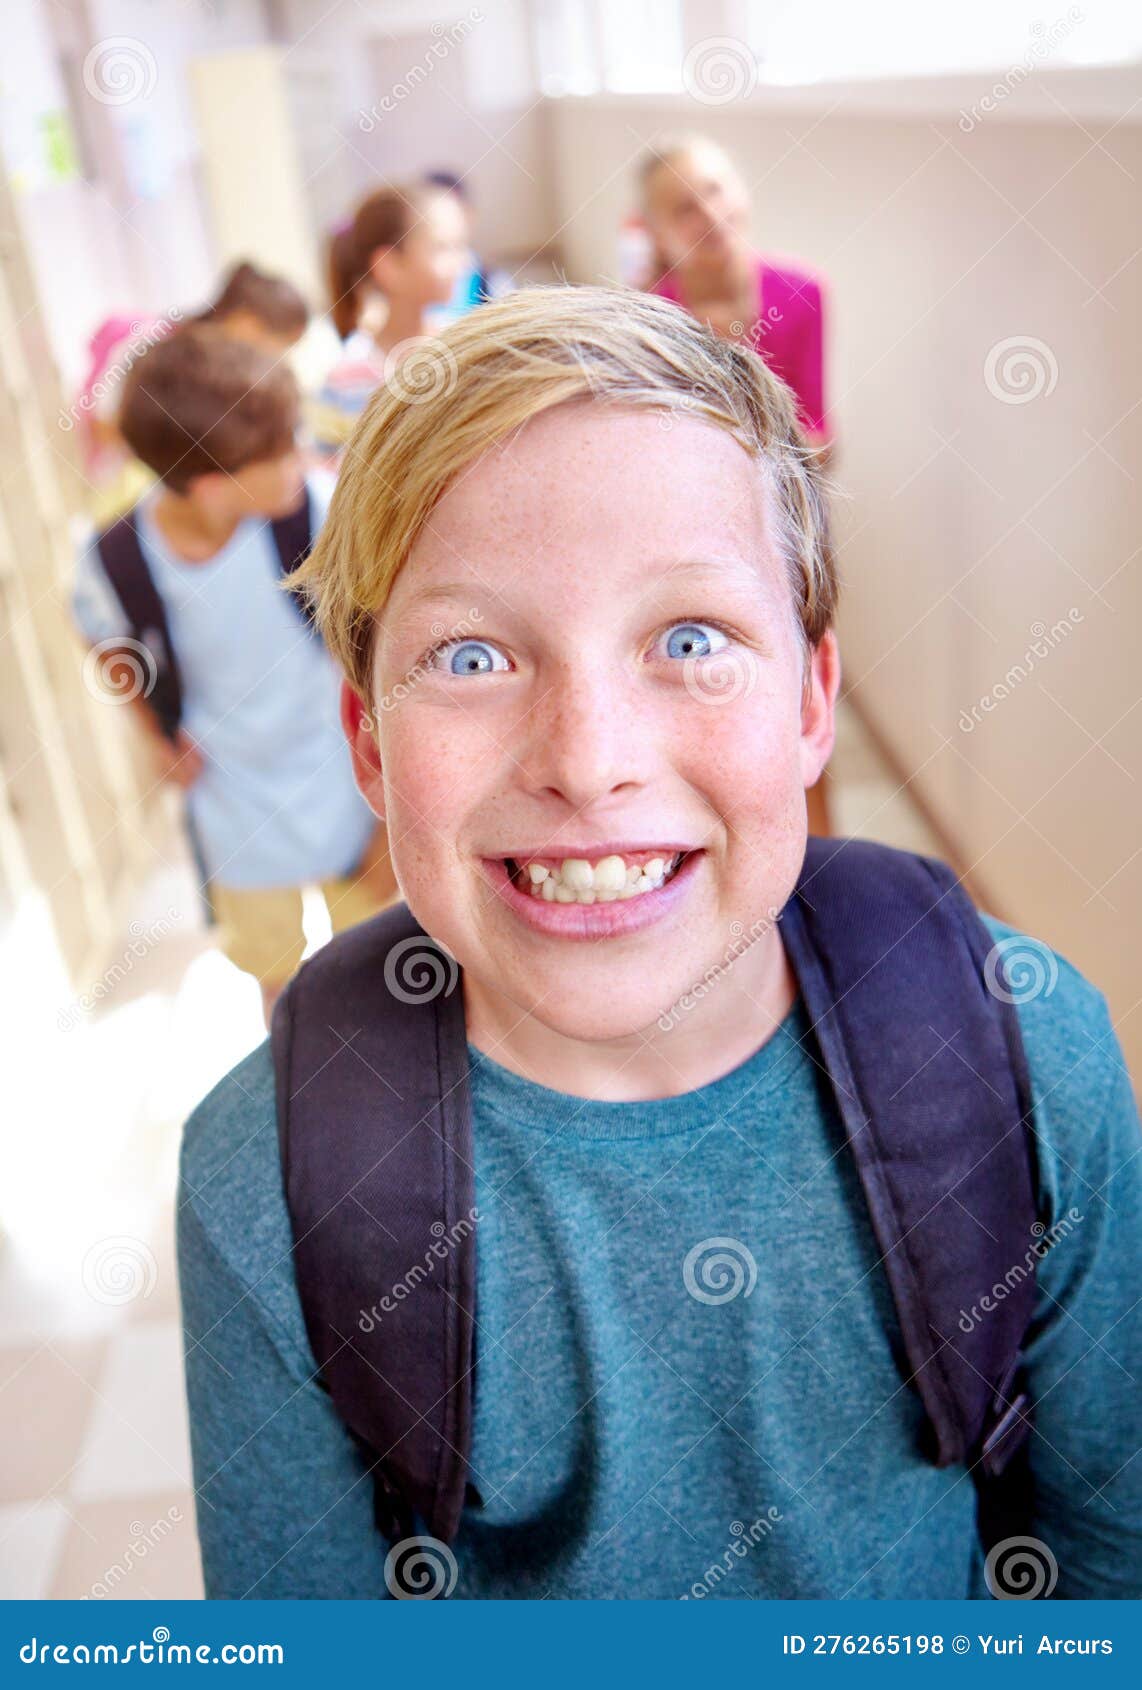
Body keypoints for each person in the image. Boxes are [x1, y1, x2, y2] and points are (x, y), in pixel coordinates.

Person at [177, 287, 1142, 1599]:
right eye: (469, 655)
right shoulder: (266, 1178)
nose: (588, 761)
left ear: (810, 698)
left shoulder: (1034, 1057)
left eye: (689, 639)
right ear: (367, 747)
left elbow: (1110, 1557)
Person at [72, 324, 397, 1024]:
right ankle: (296, 1075)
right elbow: (101, 633)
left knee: (378, 954)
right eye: (280, 451)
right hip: (233, 794)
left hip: (340, 770)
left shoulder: (316, 506)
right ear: (215, 488)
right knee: (273, 972)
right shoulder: (118, 560)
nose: (300, 458)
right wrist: (155, 733)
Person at [639, 134, 831, 452]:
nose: (709, 215)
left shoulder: (803, 292)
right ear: (657, 234)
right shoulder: (653, 319)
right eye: (685, 209)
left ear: (742, 190)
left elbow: (817, 432)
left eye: (714, 190)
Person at [310, 182, 469, 458]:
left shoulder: (468, 343)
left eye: (460, 246)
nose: (463, 262)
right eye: (443, 248)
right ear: (389, 265)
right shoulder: (344, 380)